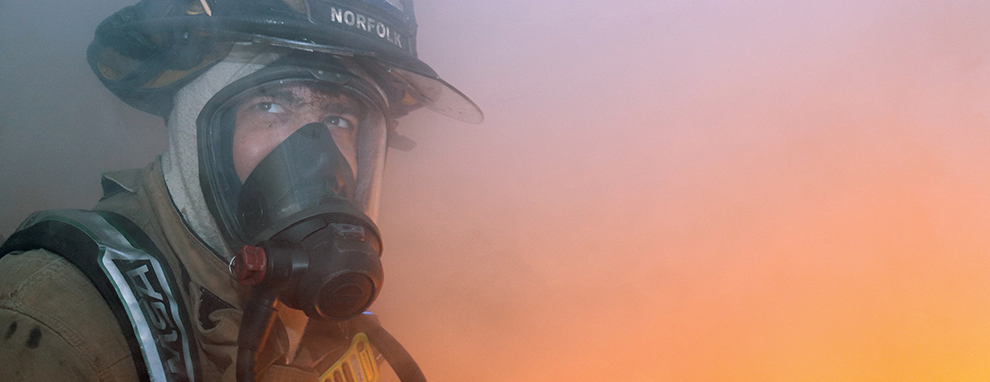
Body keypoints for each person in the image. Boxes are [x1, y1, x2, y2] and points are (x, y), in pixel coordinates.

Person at [0, 0, 482, 381]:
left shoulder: (328, 301)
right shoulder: (53, 322)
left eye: (337, 120)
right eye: (270, 107)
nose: (316, 158)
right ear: (195, 132)